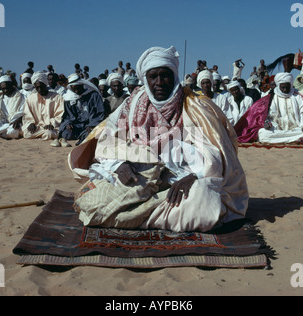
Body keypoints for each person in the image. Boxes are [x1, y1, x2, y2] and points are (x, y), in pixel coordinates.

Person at [69, 45, 249, 233]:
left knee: (204, 202)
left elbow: (214, 152)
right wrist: (119, 164)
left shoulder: (193, 106)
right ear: (145, 79)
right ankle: (148, 213)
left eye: (165, 75)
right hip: (136, 171)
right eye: (153, 76)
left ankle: (135, 216)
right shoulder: (133, 102)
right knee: (90, 202)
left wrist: (194, 176)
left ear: (174, 76)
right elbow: (111, 138)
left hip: (177, 177)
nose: (159, 82)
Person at [235, 72, 303, 144]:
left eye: (287, 87)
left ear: (291, 85)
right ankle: (292, 139)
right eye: (283, 87)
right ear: (278, 86)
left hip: (295, 128)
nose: (285, 89)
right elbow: (267, 115)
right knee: (262, 134)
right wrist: (266, 123)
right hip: (276, 128)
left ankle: (285, 139)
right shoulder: (272, 98)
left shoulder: (297, 97)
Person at [54, 73, 106, 147]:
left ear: (82, 85)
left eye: (78, 88)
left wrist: (92, 125)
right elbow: (67, 115)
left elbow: (99, 113)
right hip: (76, 126)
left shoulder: (93, 95)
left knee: (93, 133)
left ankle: (84, 136)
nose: (77, 91)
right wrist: (68, 124)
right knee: (66, 134)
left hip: (89, 125)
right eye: (73, 89)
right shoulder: (69, 98)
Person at [22, 71, 64, 141]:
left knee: (49, 133)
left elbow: (60, 115)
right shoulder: (30, 99)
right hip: (37, 127)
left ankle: (42, 135)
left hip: (51, 127)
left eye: (41, 87)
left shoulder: (57, 97)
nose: (40, 89)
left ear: (45, 85)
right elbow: (27, 115)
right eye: (37, 87)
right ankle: (42, 135)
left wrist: (51, 123)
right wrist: (31, 123)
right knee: (27, 133)